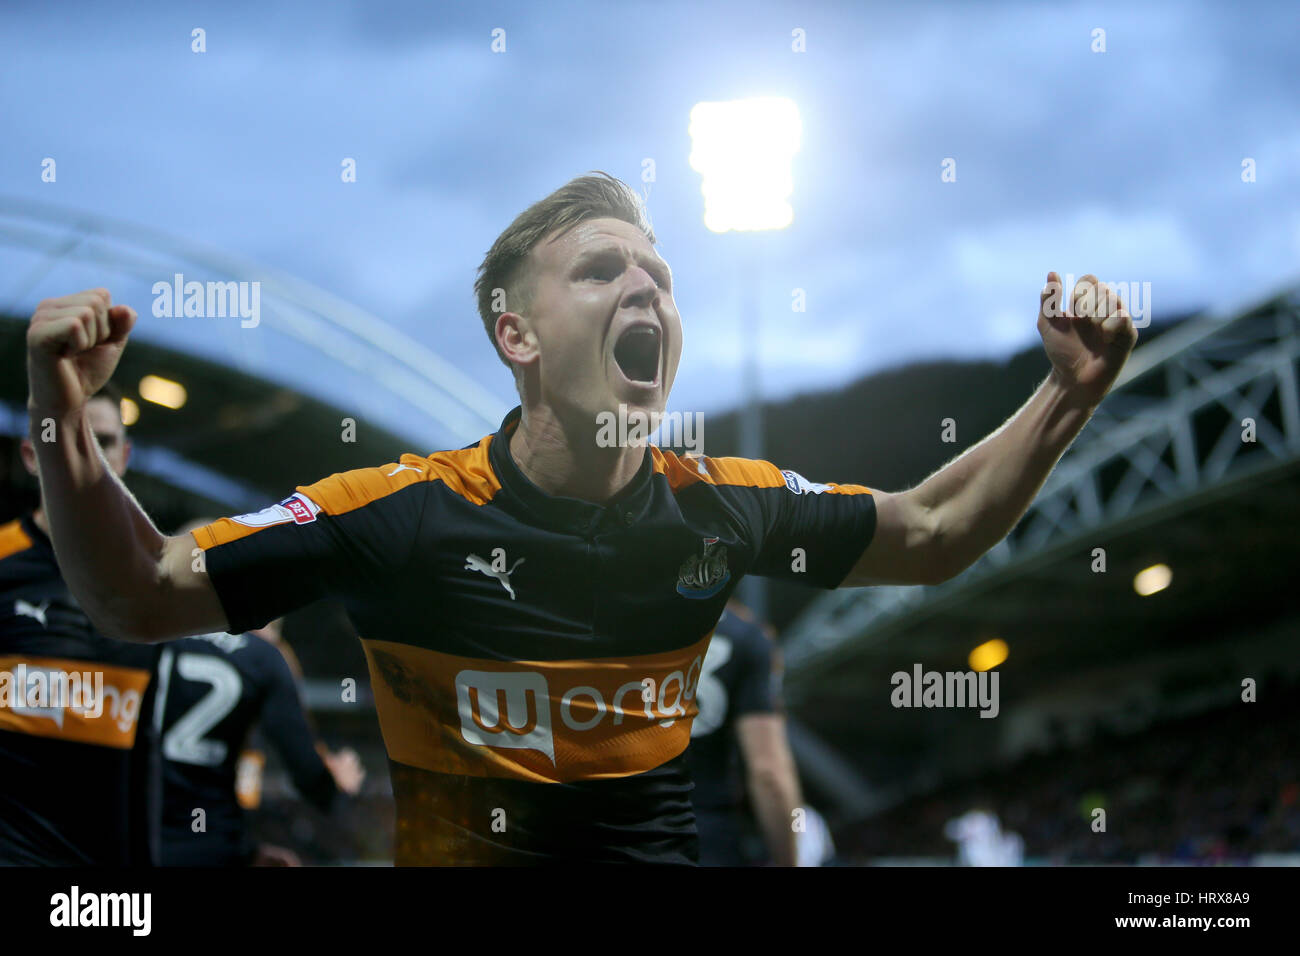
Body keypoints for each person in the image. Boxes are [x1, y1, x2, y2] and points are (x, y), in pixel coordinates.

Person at [23, 172, 1138, 865]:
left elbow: (933, 528)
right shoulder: (401, 513)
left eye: (660, 272)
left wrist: (1068, 393)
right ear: (518, 335)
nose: (648, 289)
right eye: (603, 270)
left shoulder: (722, 503)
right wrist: (62, 412)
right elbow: (133, 592)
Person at [0, 384, 162, 865]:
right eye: (71, 438)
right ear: (32, 455)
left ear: (126, 455)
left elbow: (148, 752)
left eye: (105, 441)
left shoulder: (156, 583)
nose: (91, 455)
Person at [154, 553, 365, 866]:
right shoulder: (262, 658)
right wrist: (338, 787)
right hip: (213, 849)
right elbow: (312, 780)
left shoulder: (143, 641)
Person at [685, 600, 800, 866]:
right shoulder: (746, 635)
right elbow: (769, 774)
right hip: (706, 840)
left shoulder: (611, 620)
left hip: (607, 836)